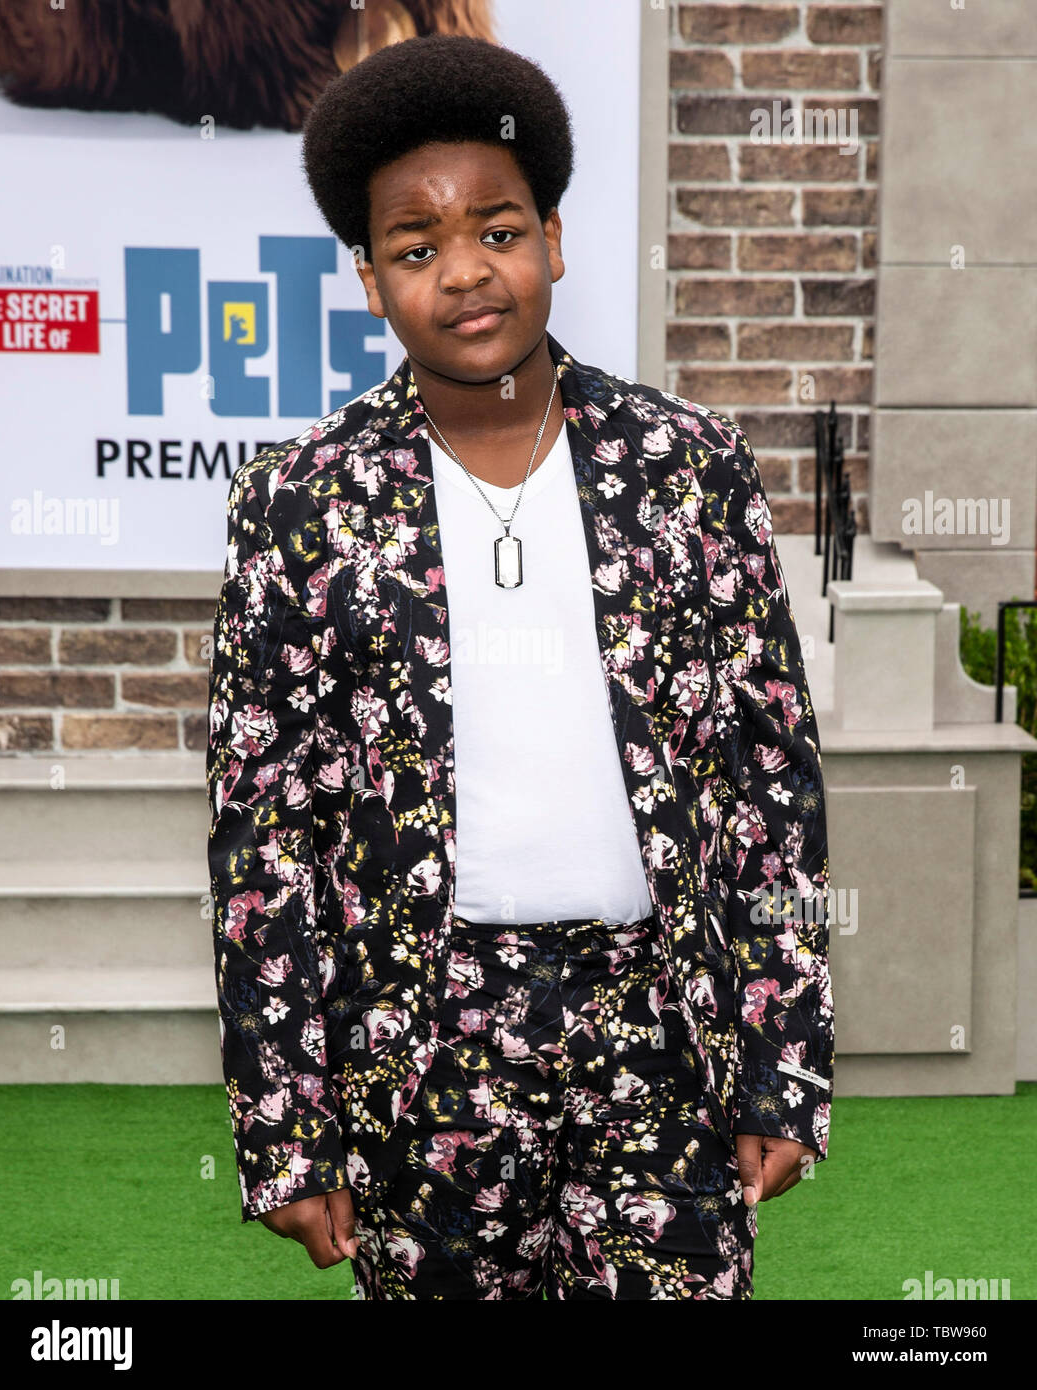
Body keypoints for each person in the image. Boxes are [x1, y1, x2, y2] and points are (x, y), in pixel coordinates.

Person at [206, 34, 833, 1301]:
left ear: (554, 235)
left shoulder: (688, 466)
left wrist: (781, 1053)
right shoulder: (302, 501)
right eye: (416, 247)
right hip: (420, 1044)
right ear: (371, 283)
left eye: (496, 229)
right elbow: (265, 831)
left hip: (660, 1030)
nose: (466, 273)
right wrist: (288, 1124)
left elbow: (768, 784)